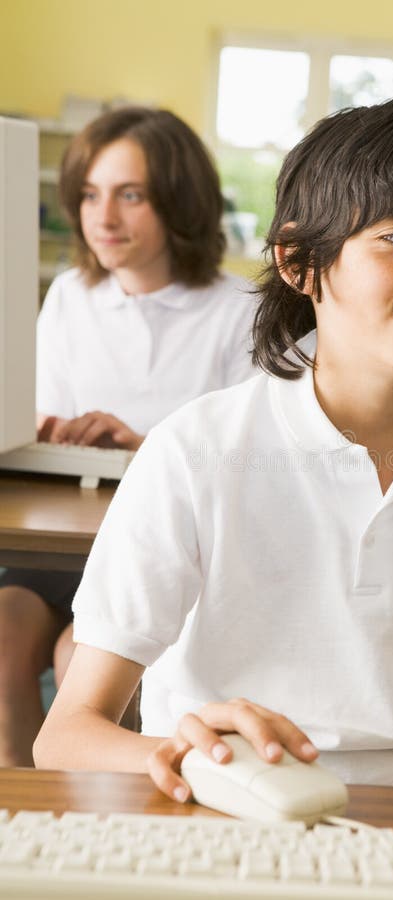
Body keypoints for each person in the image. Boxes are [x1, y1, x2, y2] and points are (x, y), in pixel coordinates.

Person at [34, 97, 393, 795]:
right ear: (298, 261)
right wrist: (175, 754)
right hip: (227, 814)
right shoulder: (193, 452)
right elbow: (66, 734)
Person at [0, 106, 256, 767]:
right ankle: (23, 822)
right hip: (61, 544)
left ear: (179, 199)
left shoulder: (239, 313)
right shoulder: (69, 297)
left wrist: (144, 445)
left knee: (75, 656)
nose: (103, 219)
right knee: (2, 641)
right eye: (89, 195)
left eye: (130, 196)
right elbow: (42, 431)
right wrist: (45, 431)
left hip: (159, 548)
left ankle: (101, 822)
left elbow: (253, 461)